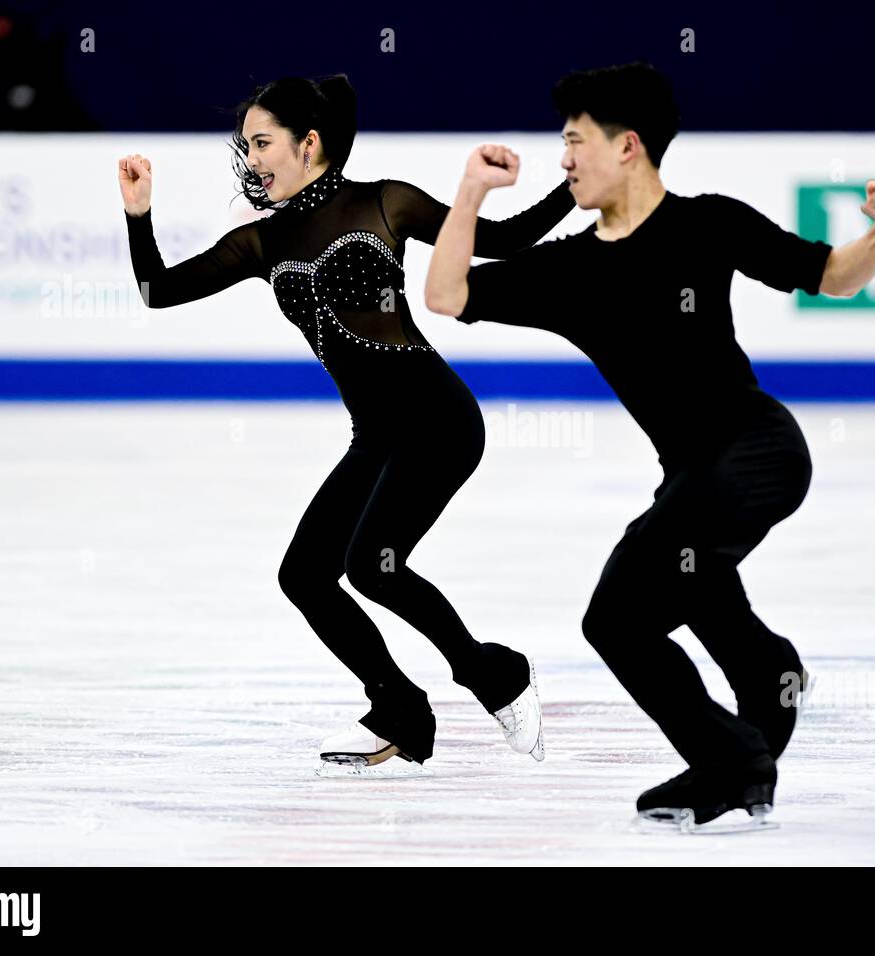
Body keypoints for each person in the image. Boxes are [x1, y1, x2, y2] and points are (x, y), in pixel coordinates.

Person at [425, 62, 875, 825]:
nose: (563, 160)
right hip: (693, 476)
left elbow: (831, 275)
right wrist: (471, 194)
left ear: (630, 148)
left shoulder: (710, 223)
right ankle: (767, 673)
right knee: (692, 582)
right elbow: (447, 294)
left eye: (575, 141)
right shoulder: (570, 270)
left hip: (758, 449)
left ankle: (730, 757)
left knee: (617, 618)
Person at [118, 75, 575, 768]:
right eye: (246, 145)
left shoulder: (386, 201)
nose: (252, 158)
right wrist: (138, 213)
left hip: (439, 419)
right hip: (379, 435)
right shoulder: (262, 242)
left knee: (373, 566)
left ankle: (497, 678)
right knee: (305, 575)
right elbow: (158, 291)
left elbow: (503, 241)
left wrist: (578, 186)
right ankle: (397, 708)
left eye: (264, 142)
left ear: (311, 143)